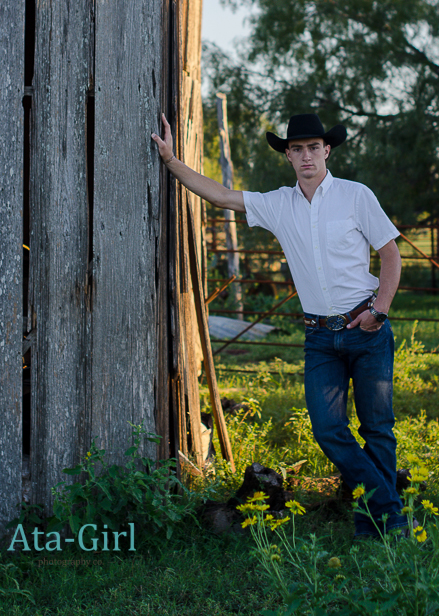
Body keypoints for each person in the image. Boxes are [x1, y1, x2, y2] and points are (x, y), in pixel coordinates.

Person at [152, 111, 406, 539]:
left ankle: (375, 527)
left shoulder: (356, 196)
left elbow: (391, 256)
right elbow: (221, 196)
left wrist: (379, 311)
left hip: (368, 327)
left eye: (313, 147)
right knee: (328, 429)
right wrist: (172, 162)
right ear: (288, 156)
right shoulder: (278, 205)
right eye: (297, 149)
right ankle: (392, 511)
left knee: (377, 428)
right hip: (320, 337)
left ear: (327, 151)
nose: (306, 156)